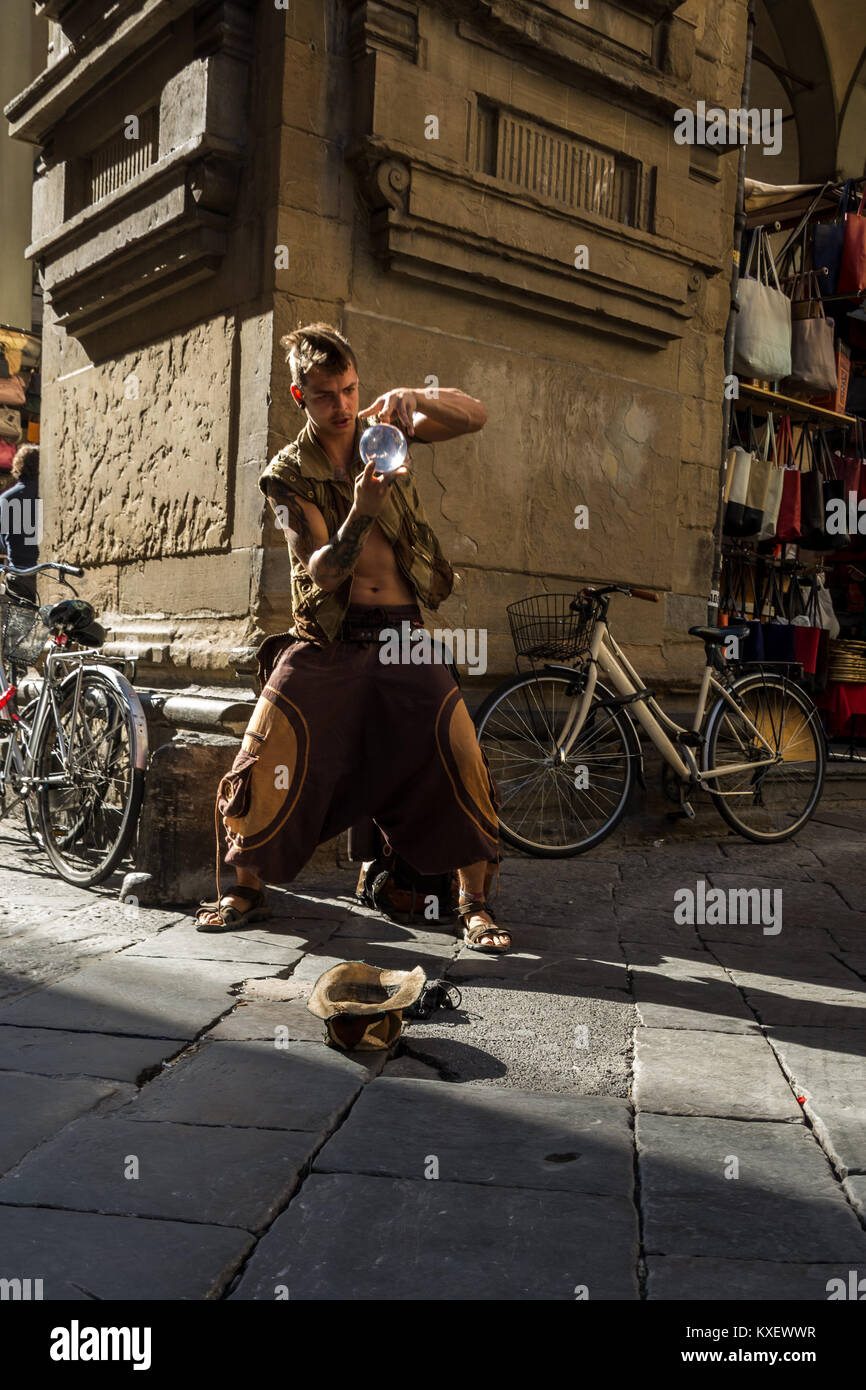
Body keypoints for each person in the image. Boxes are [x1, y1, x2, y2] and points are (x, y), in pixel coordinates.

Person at [196, 323, 509, 951]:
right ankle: (244, 885)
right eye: (324, 395)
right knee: (268, 742)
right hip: (330, 635)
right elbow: (322, 570)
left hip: (401, 633)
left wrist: (413, 400)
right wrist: (362, 509)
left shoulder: (381, 434)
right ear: (298, 396)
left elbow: (475, 414)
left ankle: (474, 904)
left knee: (459, 749)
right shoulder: (288, 473)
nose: (341, 406)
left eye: (349, 389)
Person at [0, 443, 39, 602]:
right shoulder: (49, 493)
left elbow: (2, 540)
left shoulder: (7, 498)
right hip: (49, 568)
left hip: (20, 569)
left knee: (20, 622)